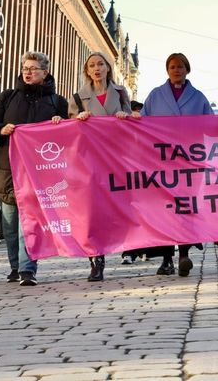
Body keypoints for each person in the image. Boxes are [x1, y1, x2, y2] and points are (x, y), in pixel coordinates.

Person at [0, 51, 68, 287]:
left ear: (45, 72)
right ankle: (15, 266)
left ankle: (27, 269)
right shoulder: (8, 97)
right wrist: (1, 130)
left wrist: (59, 126)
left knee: (28, 223)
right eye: (25, 68)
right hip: (8, 169)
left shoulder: (57, 102)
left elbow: (66, 141)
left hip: (39, 173)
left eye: (33, 68)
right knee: (9, 225)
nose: (28, 72)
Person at [134, 52, 214, 277]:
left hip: (189, 161)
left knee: (185, 207)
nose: (176, 70)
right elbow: (144, 125)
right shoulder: (156, 95)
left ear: (187, 69)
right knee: (165, 210)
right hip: (162, 161)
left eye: (180, 66)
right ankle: (167, 258)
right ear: (167, 70)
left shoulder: (198, 98)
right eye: (172, 66)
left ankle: (184, 254)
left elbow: (210, 126)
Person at [68, 51, 132, 283]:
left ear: (107, 68)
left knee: (115, 207)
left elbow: (133, 125)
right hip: (90, 160)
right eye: (91, 65)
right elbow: (68, 130)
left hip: (115, 158)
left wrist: (126, 116)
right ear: (87, 70)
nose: (96, 68)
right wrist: (77, 120)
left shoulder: (121, 92)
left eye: (100, 64)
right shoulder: (77, 97)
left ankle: (128, 245)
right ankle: (96, 260)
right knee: (92, 210)